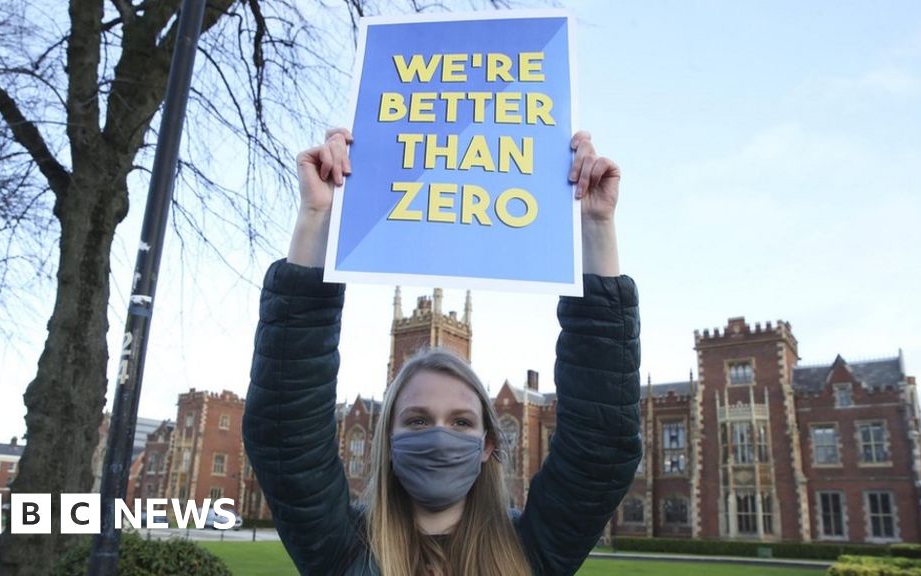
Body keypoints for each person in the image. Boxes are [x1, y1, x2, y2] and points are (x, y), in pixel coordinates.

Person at [243, 128, 642, 575]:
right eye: (416, 420)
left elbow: (601, 444)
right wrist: (318, 217)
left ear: (490, 442)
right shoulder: (344, 549)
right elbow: (284, 431)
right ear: (387, 441)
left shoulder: (529, 552)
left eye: (461, 422)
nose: (438, 436)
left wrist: (594, 227)